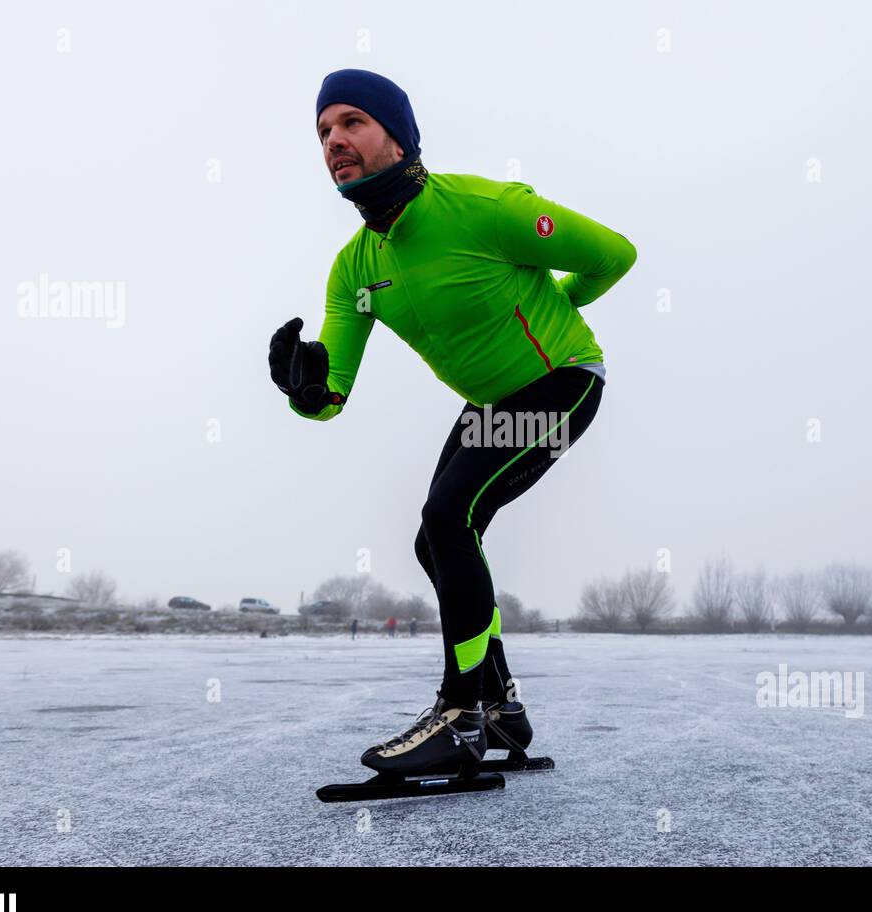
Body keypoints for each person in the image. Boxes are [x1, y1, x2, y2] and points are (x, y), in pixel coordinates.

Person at [268, 69, 635, 778]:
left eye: (351, 122)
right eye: (322, 131)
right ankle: (501, 706)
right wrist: (303, 388)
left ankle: (460, 713)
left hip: (561, 382)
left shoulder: (484, 208)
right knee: (432, 540)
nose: (333, 140)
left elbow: (614, 254)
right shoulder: (354, 270)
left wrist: (556, 306)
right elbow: (333, 395)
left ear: (398, 138)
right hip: (491, 406)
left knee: (448, 513)